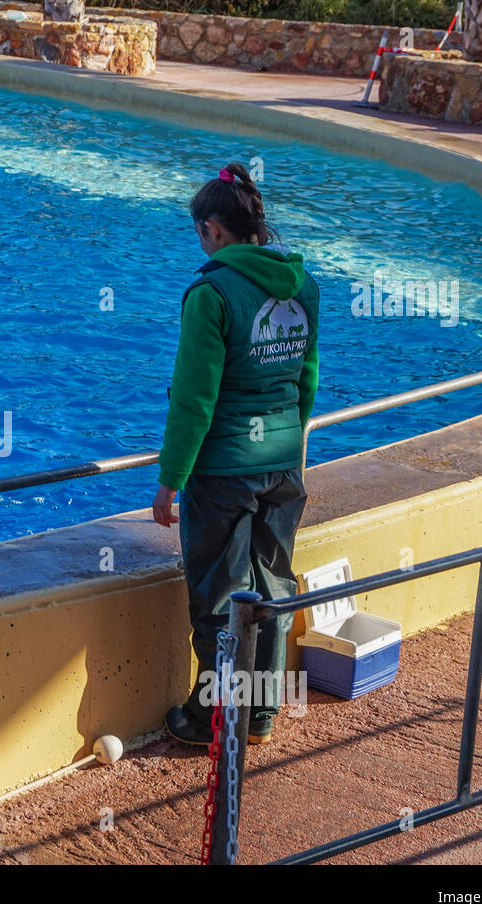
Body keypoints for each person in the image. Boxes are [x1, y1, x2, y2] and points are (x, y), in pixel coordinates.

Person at [151, 162, 319, 748]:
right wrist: (289, 449)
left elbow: (194, 401)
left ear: (214, 231)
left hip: (224, 470)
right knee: (273, 589)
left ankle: (210, 720)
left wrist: (170, 479)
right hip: (282, 462)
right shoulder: (304, 287)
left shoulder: (211, 293)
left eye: (200, 232)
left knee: (219, 595)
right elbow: (307, 381)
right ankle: (260, 714)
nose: (201, 242)